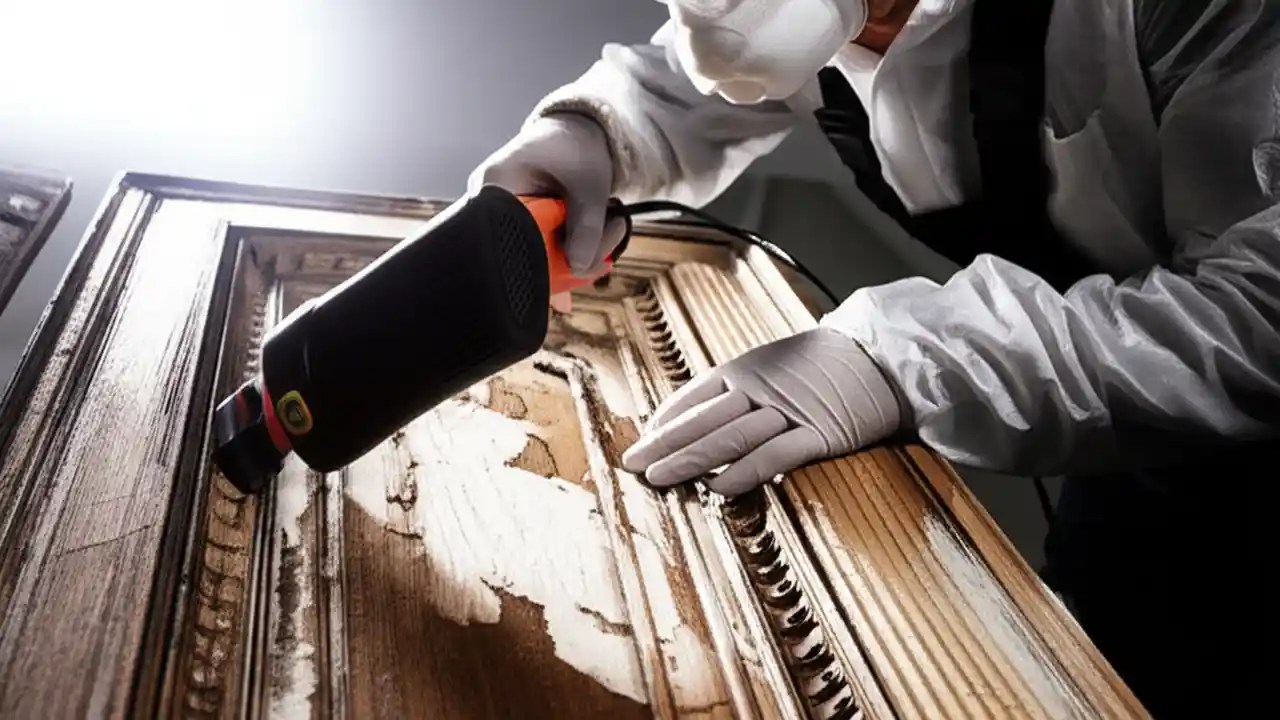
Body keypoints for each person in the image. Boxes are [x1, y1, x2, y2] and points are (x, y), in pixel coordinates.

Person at [469, 1, 1278, 715]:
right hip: (1125, 460)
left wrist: (917, 357)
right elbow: (711, 65)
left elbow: (1259, 313)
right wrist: (593, 129)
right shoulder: (811, 18)